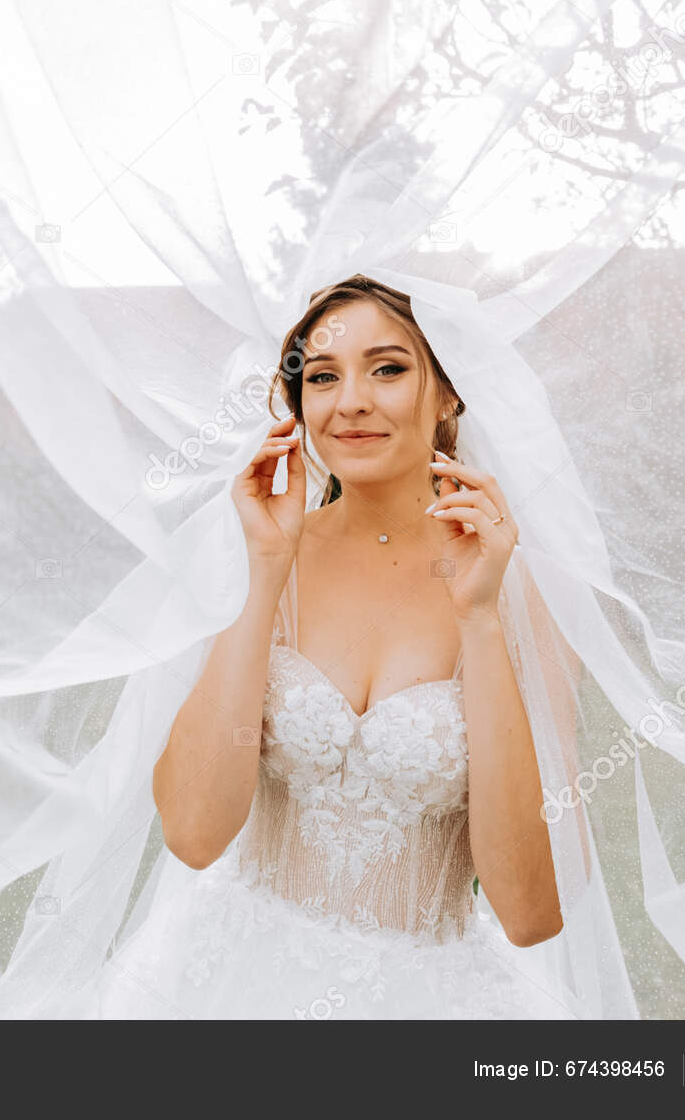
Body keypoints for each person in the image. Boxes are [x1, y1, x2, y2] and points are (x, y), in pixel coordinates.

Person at [94, 276, 574, 1018]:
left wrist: (478, 620)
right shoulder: (262, 561)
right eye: (323, 376)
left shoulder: (512, 592)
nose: (350, 400)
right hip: (227, 981)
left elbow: (528, 912)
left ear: (450, 392)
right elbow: (192, 833)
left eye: (387, 368)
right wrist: (263, 573)